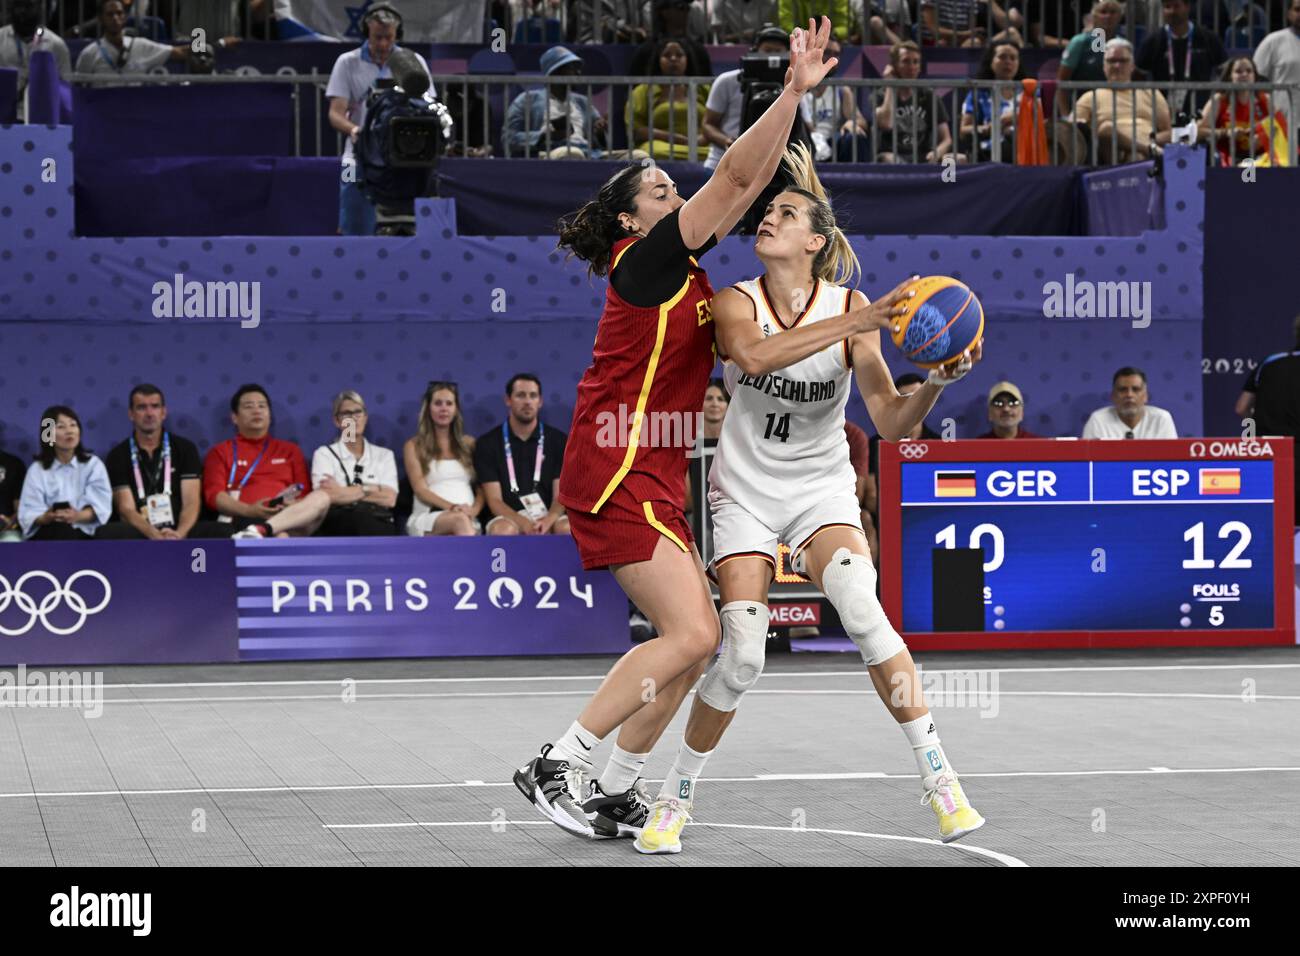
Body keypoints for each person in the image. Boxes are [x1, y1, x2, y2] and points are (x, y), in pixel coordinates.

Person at [513, 19, 902, 843]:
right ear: (630, 223)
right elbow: (732, 178)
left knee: (695, 648)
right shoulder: (644, 264)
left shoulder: (688, 273)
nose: (673, 195)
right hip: (616, 466)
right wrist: (794, 93)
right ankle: (561, 760)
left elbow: (737, 185)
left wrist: (789, 113)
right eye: (657, 190)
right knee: (696, 634)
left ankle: (617, 787)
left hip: (649, 472)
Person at [632, 144, 985, 854]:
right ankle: (676, 795)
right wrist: (861, 324)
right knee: (743, 658)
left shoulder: (850, 305)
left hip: (821, 487)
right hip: (746, 493)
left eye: (785, 213)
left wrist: (940, 380)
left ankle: (941, 780)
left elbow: (888, 420)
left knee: (859, 604)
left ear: (814, 242)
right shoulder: (735, 300)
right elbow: (755, 359)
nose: (768, 218)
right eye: (768, 211)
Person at [325, 3, 434, 236]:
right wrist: (354, 130)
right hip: (355, 156)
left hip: (403, 156)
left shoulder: (414, 63)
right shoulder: (347, 62)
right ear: (366, 33)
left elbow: (428, 108)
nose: (383, 44)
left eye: (388, 37)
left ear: (398, 35)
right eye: (377, 37)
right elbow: (335, 113)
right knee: (351, 202)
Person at [237, 390, 400, 540]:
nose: (353, 418)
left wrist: (343, 492)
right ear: (337, 421)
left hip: (376, 521)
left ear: (365, 417)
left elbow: (389, 499)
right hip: (338, 522)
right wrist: (370, 488)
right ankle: (260, 530)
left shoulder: (384, 455)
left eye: (358, 412)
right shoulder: (324, 454)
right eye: (346, 414)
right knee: (322, 499)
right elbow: (327, 497)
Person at [96, 384, 229, 540]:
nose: (149, 413)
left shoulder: (185, 449)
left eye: (155, 407)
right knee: (108, 533)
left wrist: (179, 534)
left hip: (181, 527)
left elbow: (191, 501)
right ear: (131, 414)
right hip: (141, 530)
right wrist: (154, 535)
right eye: (141, 408)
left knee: (221, 531)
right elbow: (126, 509)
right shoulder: (118, 455)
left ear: (163, 412)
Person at [201, 384, 311, 532]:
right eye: (248, 406)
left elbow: (304, 493)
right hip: (240, 518)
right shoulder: (220, 452)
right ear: (234, 417)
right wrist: (249, 510)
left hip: (285, 517)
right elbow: (214, 496)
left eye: (262, 406)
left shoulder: (290, 451)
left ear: (270, 416)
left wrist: (291, 507)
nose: (256, 410)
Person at [473, 374, 569, 536]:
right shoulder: (487, 443)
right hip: (506, 516)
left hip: (549, 515)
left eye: (533, 395)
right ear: (508, 400)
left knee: (567, 529)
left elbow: (560, 495)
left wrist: (548, 520)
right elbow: (494, 500)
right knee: (503, 530)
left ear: (540, 402)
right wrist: (523, 523)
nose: (527, 401)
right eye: (520, 395)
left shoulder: (558, 440)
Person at [1237, 315, 1300, 522]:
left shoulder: (1270, 362)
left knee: (1275, 521)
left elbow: (1241, 409)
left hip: (1269, 455)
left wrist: (1251, 435)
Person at [702, 25, 792, 170]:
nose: (771, 56)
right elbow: (708, 125)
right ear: (754, 51)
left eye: (778, 51)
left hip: (773, 167)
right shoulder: (726, 80)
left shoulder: (792, 85)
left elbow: (806, 126)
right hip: (722, 164)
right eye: (767, 51)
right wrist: (728, 142)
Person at [17, 405, 112, 541]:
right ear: (48, 434)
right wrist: (46, 517)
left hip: (85, 529)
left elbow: (101, 505)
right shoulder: (37, 470)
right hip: (49, 532)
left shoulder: (93, 464)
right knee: (61, 530)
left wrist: (77, 516)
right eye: (61, 427)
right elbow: (28, 512)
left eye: (73, 425)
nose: (69, 431)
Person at [73, 0, 236, 76]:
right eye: (110, 14)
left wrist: (218, 44)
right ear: (101, 19)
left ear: (125, 17)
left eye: (119, 13)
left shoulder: (141, 46)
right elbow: (79, 90)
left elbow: (183, 52)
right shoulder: (90, 53)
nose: (115, 18)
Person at [1073, 38, 1172, 163]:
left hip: (1143, 150)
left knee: (1135, 156)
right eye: (1112, 61)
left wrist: (1144, 140)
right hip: (1111, 152)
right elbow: (1073, 128)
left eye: (1123, 61)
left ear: (1132, 66)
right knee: (1106, 128)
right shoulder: (1090, 97)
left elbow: (1168, 133)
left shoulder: (1151, 93)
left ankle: (1145, 148)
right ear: (1104, 66)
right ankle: (1149, 149)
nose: (1117, 66)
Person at [404, 381, 483, 536]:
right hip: (428, 518)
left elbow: (482, 489)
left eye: (449, 403)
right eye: (438, 403)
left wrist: (473, 511)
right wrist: (452, 507)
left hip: (468, 518)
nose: (444, 409)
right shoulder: (413, 445)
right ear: (428, 408)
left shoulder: (470, 443)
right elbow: (420, 490)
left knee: (462, 522)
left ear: (456, 409)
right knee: (459, 521)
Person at [503, 45, 609, 159]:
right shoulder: (526, 100)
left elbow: (599, 142)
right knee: (572, 153)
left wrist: (599, 132)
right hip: (550, 153)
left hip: (589, 153)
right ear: (556, 72)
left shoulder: (583, 102)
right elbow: (509, 138)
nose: (578, 73)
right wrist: (546, 136)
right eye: (572, 68)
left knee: (629, 156)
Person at [1136, 0, 1227, 123]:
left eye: (1176, 6)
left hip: (1200, 111)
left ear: (1187, 7)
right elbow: (1139, 76)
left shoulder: (1208, 38)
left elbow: (1225, 71)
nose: (1172, 11)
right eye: (1168, 7)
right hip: (1163, 112)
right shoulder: (1153, 41)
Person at [625, 37, 712, 161]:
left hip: (701, 145)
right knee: (654, 153)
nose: (673, 59)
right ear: (658, 60)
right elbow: (636, 130)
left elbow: (718, 123)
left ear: (687, 59)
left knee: (719, 155)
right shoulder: (643, 91)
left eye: (679, 55)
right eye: (667, 55)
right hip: (661, 146)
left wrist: (702, 139)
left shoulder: (703, 88)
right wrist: (675, 138)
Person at [874, 41, 954, 163]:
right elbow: (886, 124)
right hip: (892, 155)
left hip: (923, 155)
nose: (911, 67)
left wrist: (937, 152)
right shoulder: (881, 95)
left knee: (957, 159)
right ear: (894, 66)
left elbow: (946, 138)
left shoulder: (929, 96)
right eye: (906, 61)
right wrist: (890, 85)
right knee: (889, 159)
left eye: (916, 62)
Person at [803, 34, 872, 161]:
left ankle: (859, 179)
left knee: (855, 137)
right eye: (827, 52)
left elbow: (860, 121)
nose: (832, 58)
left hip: (831, 146)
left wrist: (852, 122)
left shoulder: (841, 91)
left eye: (836, 54)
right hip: (804, 144)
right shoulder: (798, 87)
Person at [0, 0, 72, 121]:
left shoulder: (56, 44)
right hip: (3, 116)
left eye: (28, 6)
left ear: (40, 7)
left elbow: (65, 87)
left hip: (43, 117)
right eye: (18, 6)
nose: (22, 11)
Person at [1198, 56, 1276, 166]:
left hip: (1259, 158)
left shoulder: (1265, 100)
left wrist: (1262, 137)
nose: (1244, 74)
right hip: (1227, 157)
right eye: (1238, 71)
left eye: (1249, 71)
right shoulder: (1219, 100)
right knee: (1245, 172)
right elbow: (1199, 131)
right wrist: (1225, 133)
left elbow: (1279, 130)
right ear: (1230, 76)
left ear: (1254, 76)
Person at [1055, 0, 1124, 119]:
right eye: (1103, 12)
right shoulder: (1079, 42)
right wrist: (1066, 116)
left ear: (1120, 16)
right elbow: (1062, 81)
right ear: (1094, 16)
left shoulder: (1122, 44)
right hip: (1080, 110)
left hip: (1111, 111)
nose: (1108, 16)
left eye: (1113, 12)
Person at [960, 39, 1025, 162]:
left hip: (1025, 152)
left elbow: (1043, 120)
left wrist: (1017, 116)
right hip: (988, 153)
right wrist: (988, 128)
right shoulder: (978, 94)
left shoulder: (1030, 92)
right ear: (991, 62)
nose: (1008, 62)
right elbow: (963, 131)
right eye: (1002, 57)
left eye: (1013, 58)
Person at [1082, 366, 1179, 438]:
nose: (1129, 395)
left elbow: (1171, 461)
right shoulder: (1098, 420)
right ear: (1113, 396)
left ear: (1146, 396)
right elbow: (1088, 461)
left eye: (1136, 389)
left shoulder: (1161, 419)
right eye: (1122, 389)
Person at [1252, 0, 1300, 134]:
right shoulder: (1272, 42)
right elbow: (1256, 80)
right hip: (1282, 123)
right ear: (1288, 13)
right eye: (1297, 9)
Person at [976, 380, 1041, 437]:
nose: (1006, 409)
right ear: (989, 413)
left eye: (1013, 403)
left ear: (1022, 412)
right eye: (999, 403)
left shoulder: (1040, 446)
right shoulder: (976, 447)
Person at [711, 0, 777, 42]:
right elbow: (721, 38)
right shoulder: (721, 2)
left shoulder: (772, 3)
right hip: (732, 48)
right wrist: (744, 35)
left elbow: (775, 33)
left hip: (764, 47)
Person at [0, 444, 27, 535]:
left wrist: (12, 522)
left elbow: (20, 509)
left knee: (12, 539)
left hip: (6, 531)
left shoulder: (13, 464)